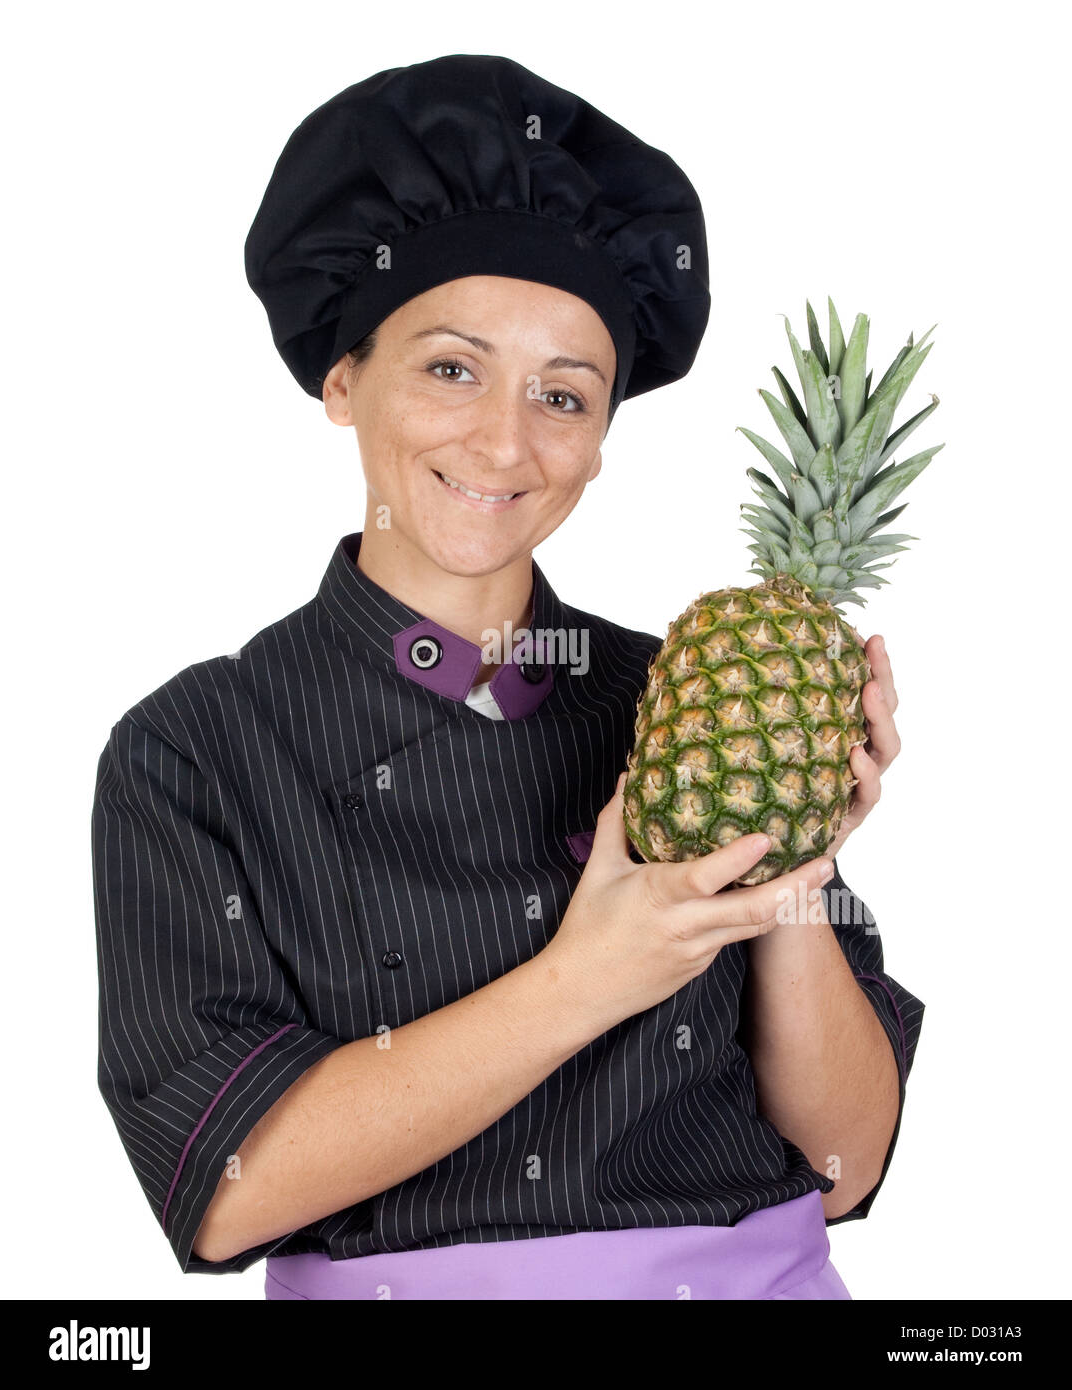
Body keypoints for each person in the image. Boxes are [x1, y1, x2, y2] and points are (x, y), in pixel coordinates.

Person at [91, 54, 924, 1301]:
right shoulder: (197, 747)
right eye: (449, 368)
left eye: (563, 396)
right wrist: (591, 975)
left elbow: (842, 1162)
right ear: (341, 379)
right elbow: (224, 1194)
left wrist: (789, 866)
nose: (502, 440)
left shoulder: (687, 695)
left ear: (600, 438)